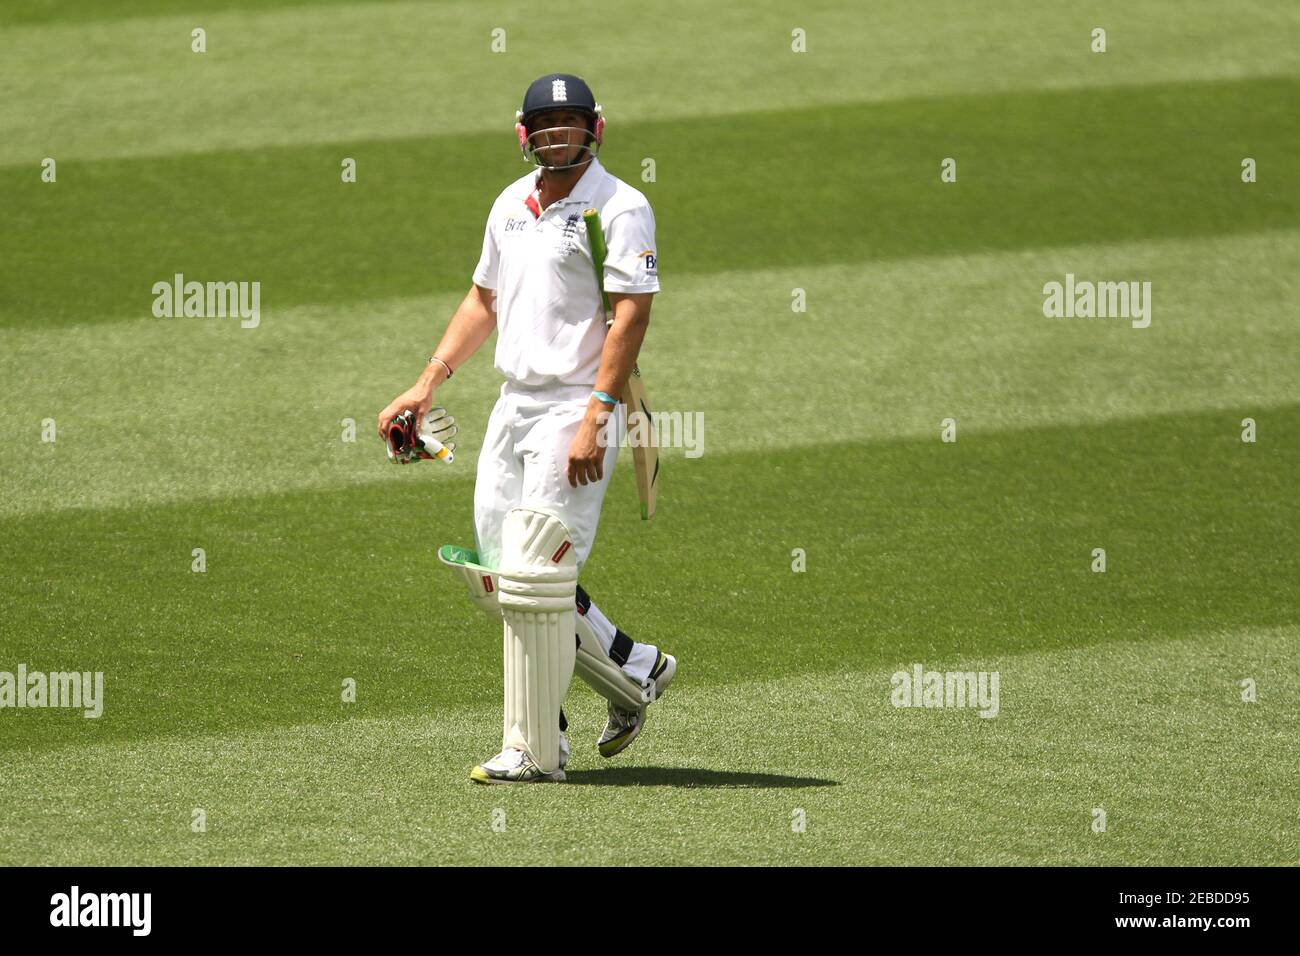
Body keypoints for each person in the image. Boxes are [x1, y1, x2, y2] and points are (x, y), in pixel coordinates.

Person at [377, 73, 676, 784]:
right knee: (492, 573)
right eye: (546, 124)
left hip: (577, 403)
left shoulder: (620, 205)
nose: (558, 135)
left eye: (571, 123)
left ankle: (538, 747)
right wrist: (426, 384)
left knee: (536, 573)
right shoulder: (510, 204)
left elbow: (631, 313)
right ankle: (633, 669)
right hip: (513, 403)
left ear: (595, 129)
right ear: (525, 134)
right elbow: (483, 299)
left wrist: (597, 414)